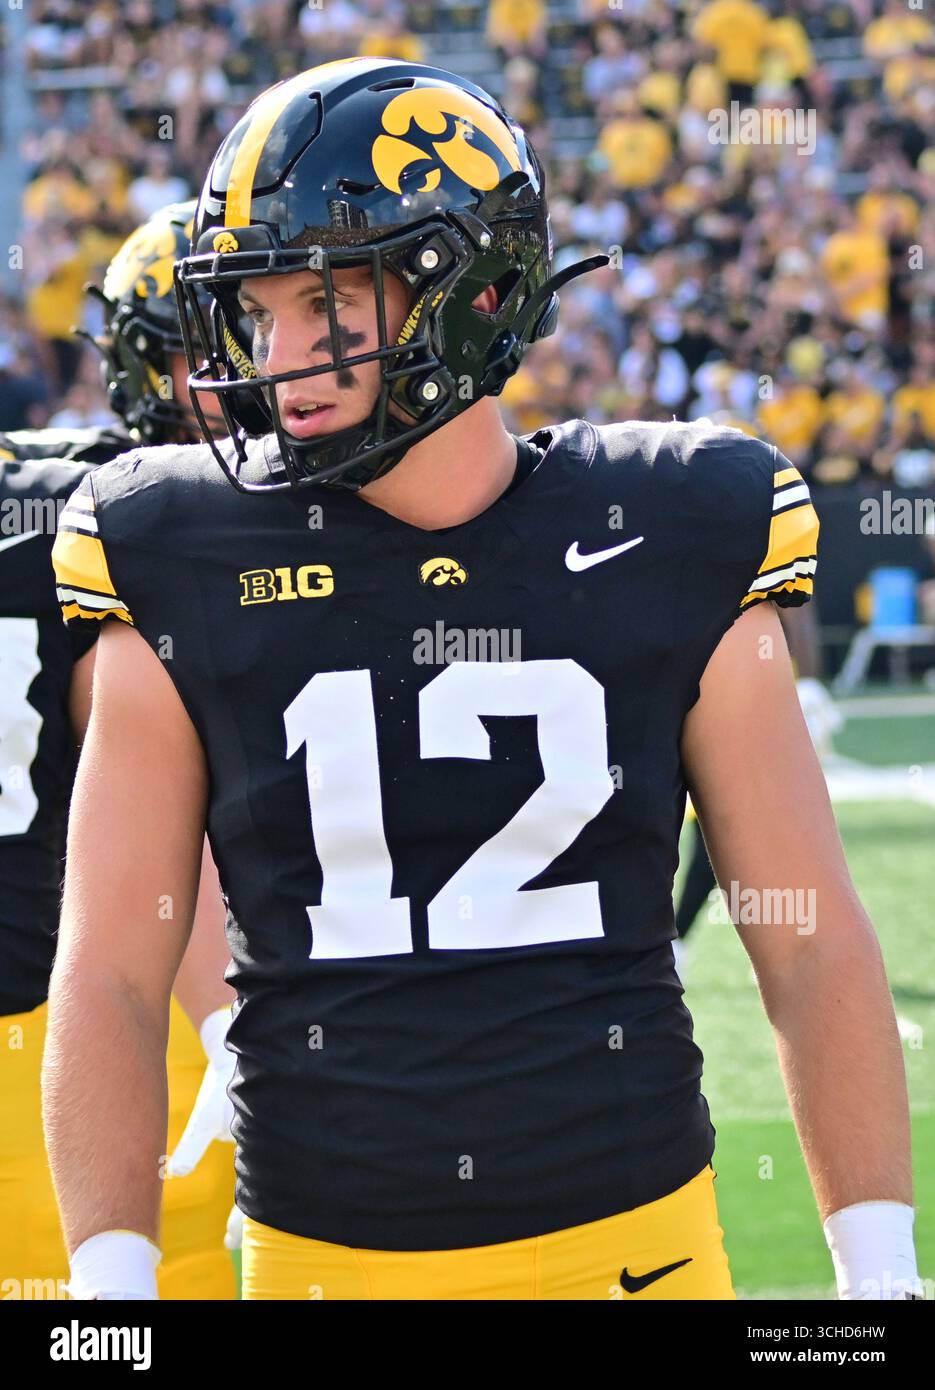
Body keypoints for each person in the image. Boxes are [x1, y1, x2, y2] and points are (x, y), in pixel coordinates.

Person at [49, 57, 920, 1301]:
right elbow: (111, 968)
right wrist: (108, 1292)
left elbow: (809, 938)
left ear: (467, 288)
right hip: (317, 1267)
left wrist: (877, 1278)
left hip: (634, 1255)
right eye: (260, 311)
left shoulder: (669, 525)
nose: (277, 357)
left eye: (325, 305)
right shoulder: (176, 546)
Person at [0, 201, 236, 1301]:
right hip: (142, 1006)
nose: (242, 377)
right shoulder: (107, 521)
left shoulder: (63, 497)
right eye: (212, 348)